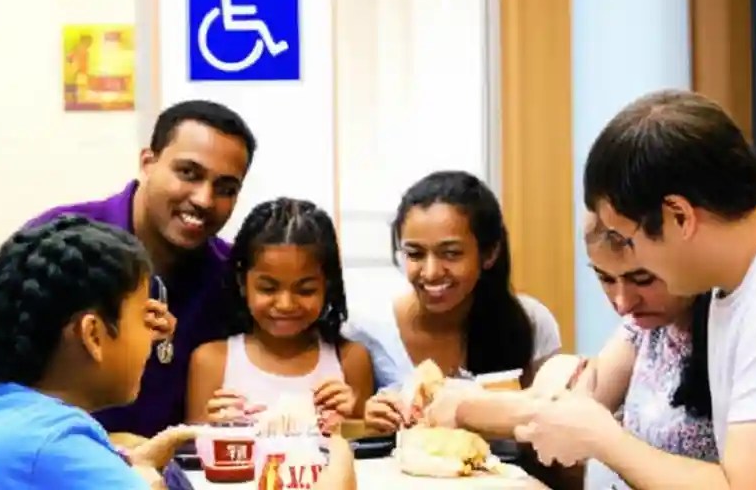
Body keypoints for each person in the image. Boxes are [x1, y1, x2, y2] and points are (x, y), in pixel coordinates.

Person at [0, 100, 256, 488]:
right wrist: (97, 454)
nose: (203, 199)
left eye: (226, 188)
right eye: (188, 173)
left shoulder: (230, 277)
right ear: (148, 161)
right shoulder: (63, 245)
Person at [514, 89, 756, 489]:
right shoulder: (735, 283)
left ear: (679, 216)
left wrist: (603, 437)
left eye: (626, 238)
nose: (630, 260)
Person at [419, 211, 716, 488]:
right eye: (606, 279)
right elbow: (564, 408)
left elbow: (577, 420)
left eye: (642, 279)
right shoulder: (642, 328)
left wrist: (462, 404)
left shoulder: (724, 329)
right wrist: (455, 400)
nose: (623, 302)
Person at [0, 215, 194, 489]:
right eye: (144, 316)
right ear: (93, 335)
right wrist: (150, 478)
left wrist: (132, 463)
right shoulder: (54, 443)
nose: (153, 336)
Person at [350, 170, 561, 434]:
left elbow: (553, 425)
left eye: (450, 254)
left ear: (490, 253)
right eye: (414, 254)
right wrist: (369, 416)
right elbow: (351, 428)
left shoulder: (530, 322)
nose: (430, 272)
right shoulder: (368, 330)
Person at [185, 198, 375, 425]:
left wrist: (353, 418)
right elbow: (189, 450)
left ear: (328, 285)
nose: (285, 304)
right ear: (243, 283)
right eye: (268, 288)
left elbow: (369, 451)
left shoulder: (350, 360)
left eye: (305, 290)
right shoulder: (212, 361)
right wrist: (210, 427)